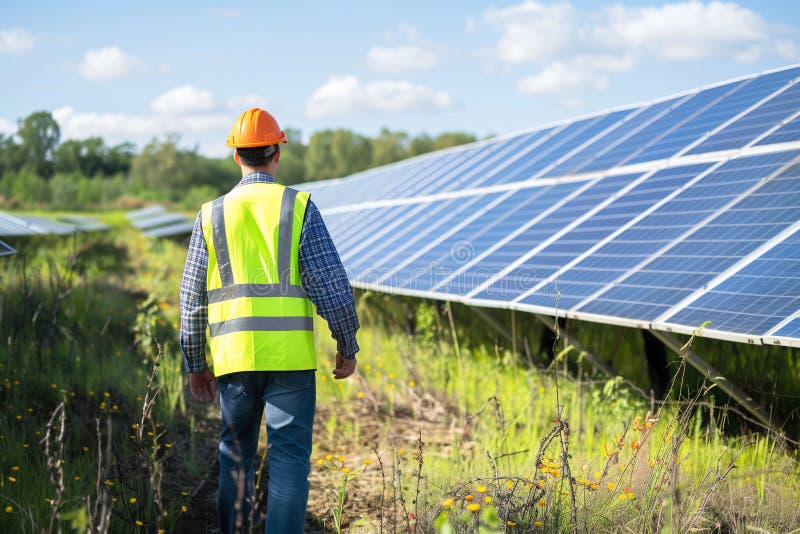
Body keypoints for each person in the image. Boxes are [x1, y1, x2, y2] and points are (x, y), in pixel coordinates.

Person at [179, 107, 360, 533]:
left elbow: (191, 300)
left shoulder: (210, 214)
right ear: (277, 152)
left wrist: (195, 362)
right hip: (290, 361)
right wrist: (346, 344)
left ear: (236, 157)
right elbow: (331, 286)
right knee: (290, 463)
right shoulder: (299, 206)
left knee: (235, 459)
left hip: (234, 359)